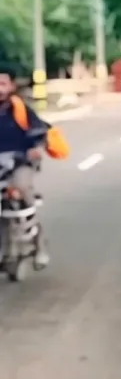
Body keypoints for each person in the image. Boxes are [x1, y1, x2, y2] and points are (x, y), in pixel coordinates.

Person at [0, 65, 70, 267]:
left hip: (20, 161)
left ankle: (38, 243)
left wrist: (37, 148)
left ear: (11, 85)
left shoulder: (21, 108)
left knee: (22, 192)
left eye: (3, 83)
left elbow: (40, 131)